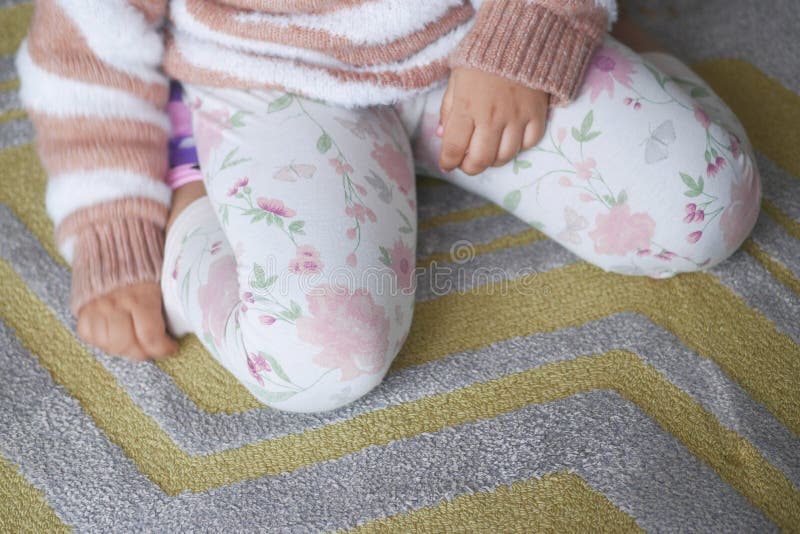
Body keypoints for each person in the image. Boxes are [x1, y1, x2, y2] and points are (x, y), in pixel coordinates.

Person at [17, 0, 760, 412]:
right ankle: (193, 200)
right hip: (271, 78)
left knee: (709, 204)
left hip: (470, 41)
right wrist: (116, 232)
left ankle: (616, 32)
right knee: (320, 358)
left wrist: (537, 23)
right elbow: (82, 48)